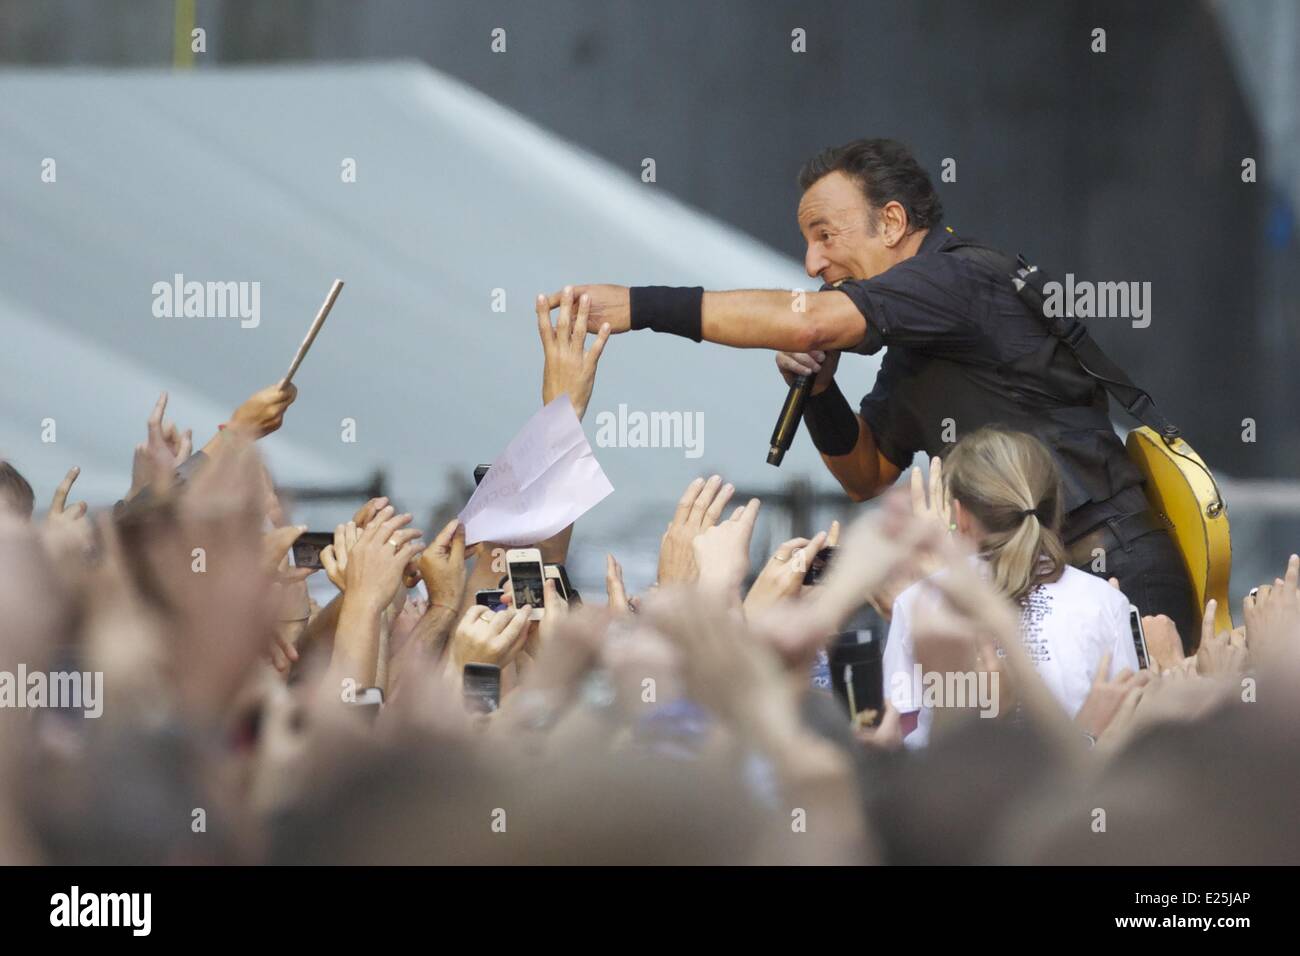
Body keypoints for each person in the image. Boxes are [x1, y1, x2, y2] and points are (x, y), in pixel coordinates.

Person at [544, 138, 1198, 645]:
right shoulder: (919, 342)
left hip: (1112, 568)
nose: (812, 263)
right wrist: (822, 392)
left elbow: (807, 317)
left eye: (825, 236)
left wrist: (641, 306)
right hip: (1034, 581)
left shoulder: (957, 280)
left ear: (891, 222)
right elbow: (868, 473)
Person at [883, 426, 1139, 747]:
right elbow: (1127, 736)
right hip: (1078, 793)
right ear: (1055, 507)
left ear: (959, 515)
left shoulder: (917, 602)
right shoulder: (1105, 602)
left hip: (950, 793)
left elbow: (897, 734)